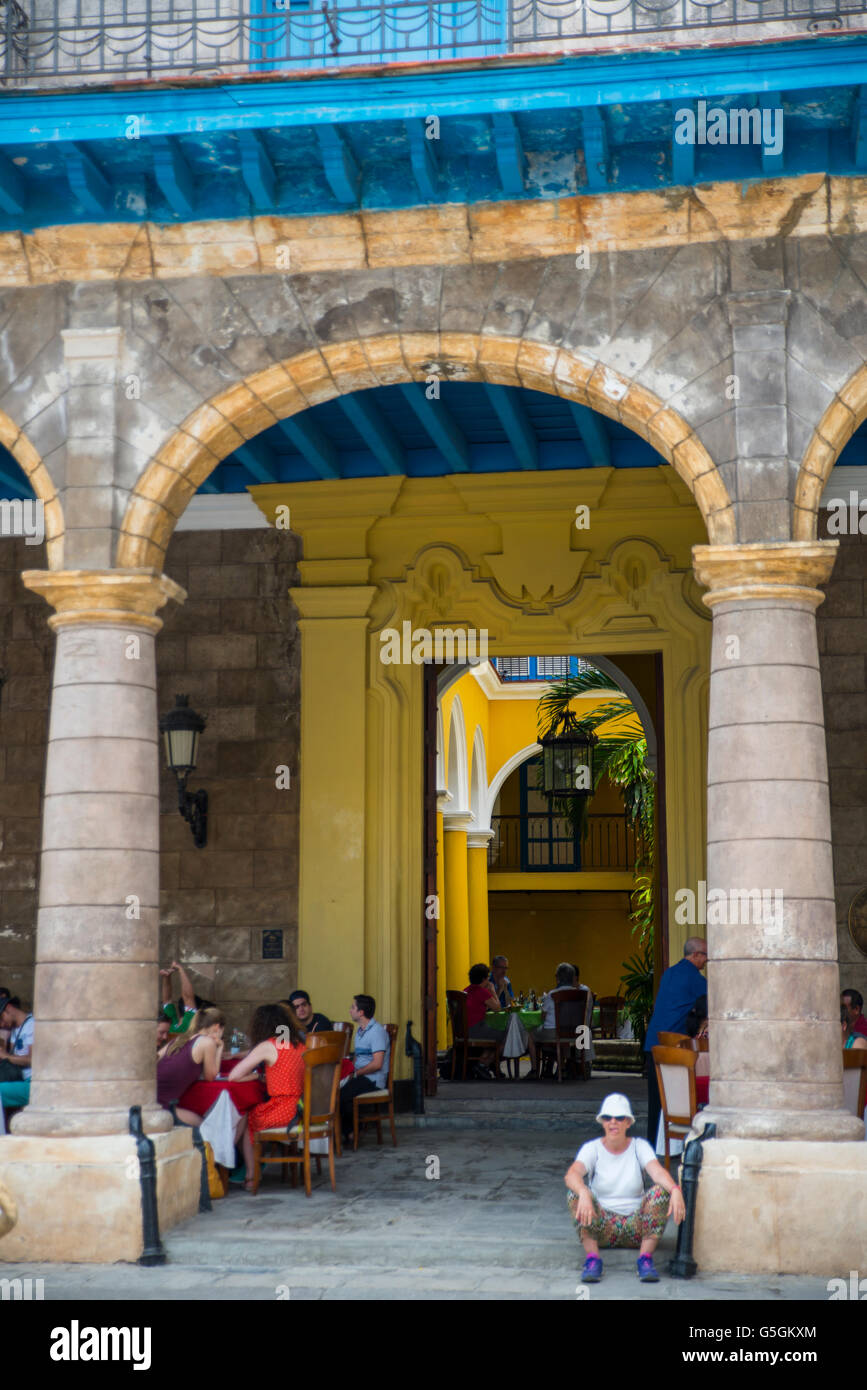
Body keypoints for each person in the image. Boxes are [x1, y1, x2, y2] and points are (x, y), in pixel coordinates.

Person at [565, 1092, 685, 1283]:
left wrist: (675, 1190)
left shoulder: (639, 1146)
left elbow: (657, 1172)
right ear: (602, 1122)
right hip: (602, 1226)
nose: (613, 1122)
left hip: (636, 1226)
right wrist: (583, 1192)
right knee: (575, 1193)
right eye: (608, 1117)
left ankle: (645, 1258)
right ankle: (593, 1258)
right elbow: (572, 1174)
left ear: (628, 1122)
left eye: (619, 1118)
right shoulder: (592, 1148)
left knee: (661, 1191)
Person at [228, 1003, 306, 1192]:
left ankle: (251, 1174)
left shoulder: (268, 1045)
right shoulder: (299, 1044)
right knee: (251, 1114)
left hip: (284, 1110)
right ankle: (252, 1168)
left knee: (246, 1116)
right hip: (302, 1108)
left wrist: (256, 1076)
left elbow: (234, 1076)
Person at [643, 938, 708, 1143]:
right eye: (705, 955)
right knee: (684, 1099)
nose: (707, 960)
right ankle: (687, 1144)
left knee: (657, 1101)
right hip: (672, 1047)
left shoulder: (670, 973)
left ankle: (654, 1145)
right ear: (695, 955)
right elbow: (717, 1001)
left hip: (653, 1043)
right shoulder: (694, 978)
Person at [156, 1007, 225, 1126]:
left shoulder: (180, 1039)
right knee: (205, 1128)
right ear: (217, 1027)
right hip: (163, 1106)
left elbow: (156, 1058)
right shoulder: (207, 1042)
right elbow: (211, 1076)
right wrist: (220, 1047)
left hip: (154, 1098)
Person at [339, 994, 390, 1141]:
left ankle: (353, 1131)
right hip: (361, 1077)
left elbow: (377, 1063)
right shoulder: (360, 1031)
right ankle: (349, 1131)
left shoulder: (376, 1032)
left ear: (361, 1012)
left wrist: (355, 1074)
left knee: (341, 1096)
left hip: (373, 1080)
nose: (350, 1010)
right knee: (335, 1092)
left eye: (353, 1007)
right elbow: (358, 1058)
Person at [525, 962, 577, 1079]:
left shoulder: (552, 994)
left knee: (530, 1035)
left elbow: (543, 1017)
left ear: (558, 978)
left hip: (553, 1032)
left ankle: (534, 1070)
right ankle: (564, 1068)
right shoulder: (579, 993)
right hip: (574, 1032)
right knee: (564, 1038)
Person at [462, 963, 503, 1076]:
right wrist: (493, 990)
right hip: (476, 1030)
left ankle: (485, 1063)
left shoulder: (465, 990)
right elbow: (497, 1008)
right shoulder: (481, 991)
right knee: (504, 1035)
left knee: (494, 1035)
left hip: (464, 1031)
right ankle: (483, 1064)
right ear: (484, 978)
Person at [0, 992, 33, 1117]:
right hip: (18, 1078)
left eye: (1, 1019)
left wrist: (6, 1056)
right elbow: (12, 1058)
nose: (2, 1025)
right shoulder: (15, 1029)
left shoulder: (32, 1025)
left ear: (8, 1008)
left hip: (31, 1082)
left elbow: (33, 1060)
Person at [160, 960, 213, 1035]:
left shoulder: (171, 1026)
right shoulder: (189, 1024)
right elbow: (188, 997)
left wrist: (166, 977)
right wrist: (180, 970)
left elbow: (167, 1000)